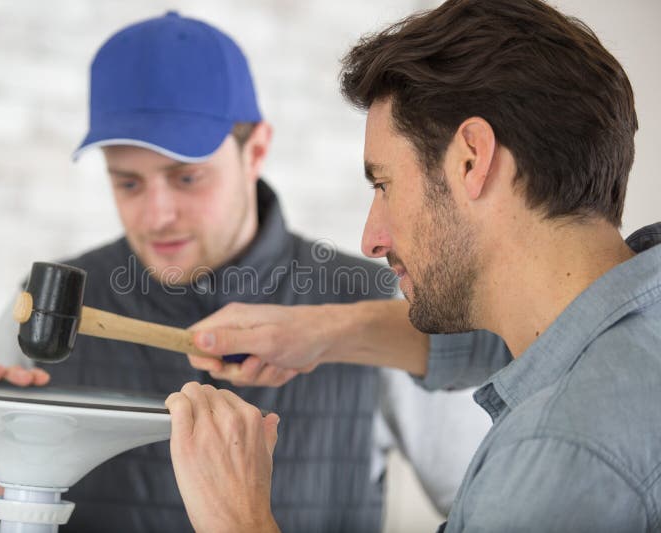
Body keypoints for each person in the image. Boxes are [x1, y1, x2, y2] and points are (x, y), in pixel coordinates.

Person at [0, 11, 491, 533]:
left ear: (255, 150)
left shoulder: (379, 302)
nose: (157, 216)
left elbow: (488, 511)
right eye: (128, 182)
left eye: (187, 177)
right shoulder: (40, 303)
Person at [166, 0, 661, 531]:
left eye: (384, 185)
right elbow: (520, 342)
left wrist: (236, 519)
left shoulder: (558, 453)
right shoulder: (634, 319)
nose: (371, 239)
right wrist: (322, 330)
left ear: (472, 159)